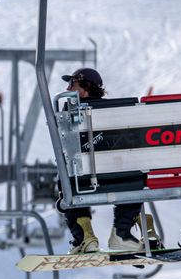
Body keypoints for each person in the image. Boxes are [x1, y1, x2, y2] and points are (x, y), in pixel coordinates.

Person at [60, 68, 159, 252]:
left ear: (86, 85)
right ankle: (121, 233)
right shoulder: (115, 111)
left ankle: (85, 238)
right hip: (124, 177)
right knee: (134, 176)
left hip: (82, 180)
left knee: (65, 181)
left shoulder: (69, 115)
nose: (68, 87)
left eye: (72, 83)